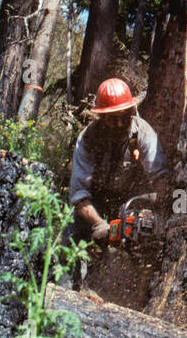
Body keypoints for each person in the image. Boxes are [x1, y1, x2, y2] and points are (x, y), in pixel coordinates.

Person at [67, 77, 168, 250]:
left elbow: (160, 177)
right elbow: (78, 194)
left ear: (131, 110)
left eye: (124, 116)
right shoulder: (88, 139)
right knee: (69, 233)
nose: (120, 124)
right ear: (101, 116)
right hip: (95, 203)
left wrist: (160, 204)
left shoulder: (142, 132)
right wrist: (98, 224)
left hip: (131, 201)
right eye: (113, 119)